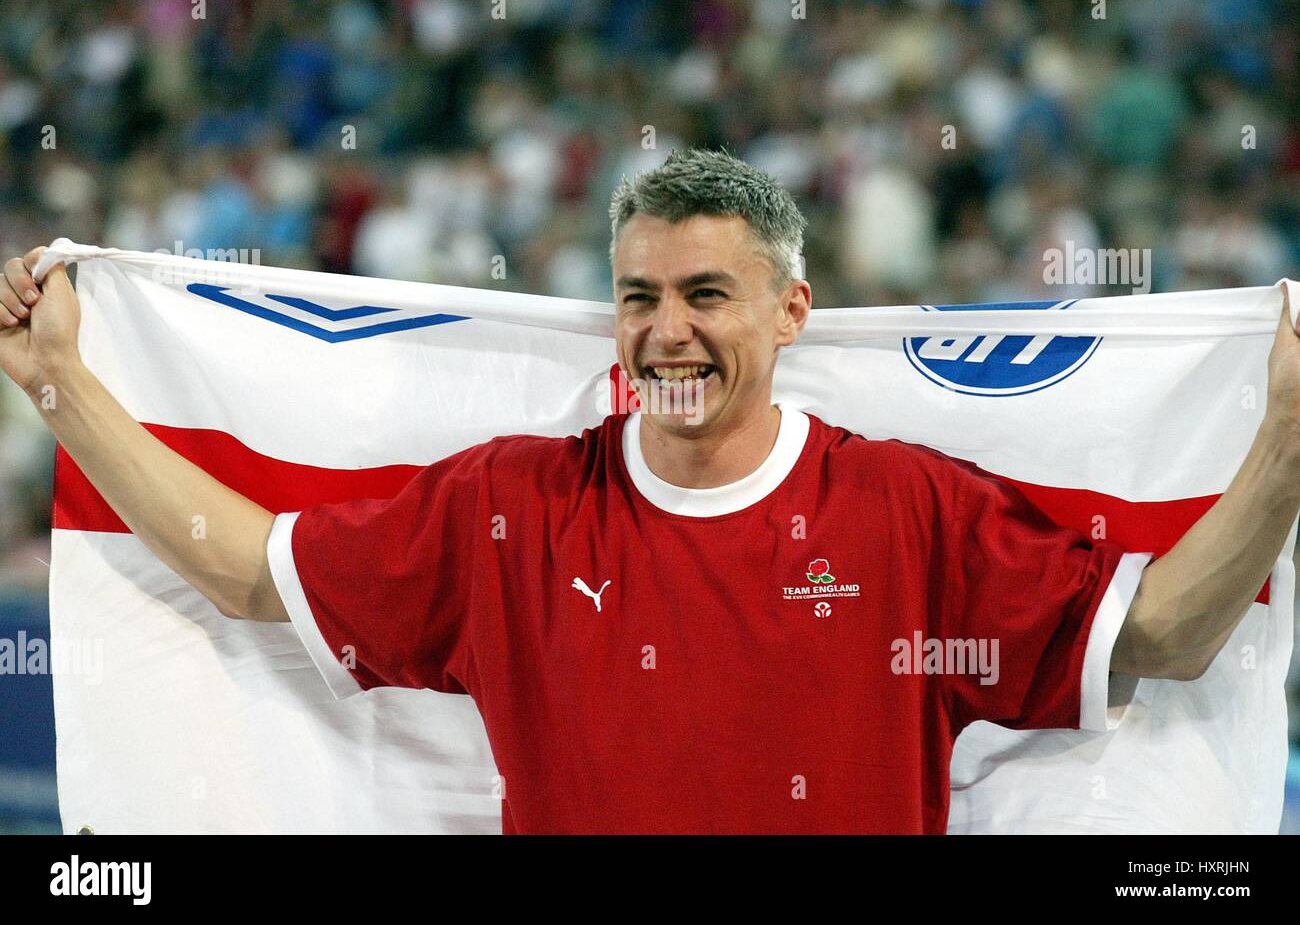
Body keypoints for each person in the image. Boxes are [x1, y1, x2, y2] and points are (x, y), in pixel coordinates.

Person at [2, 148, 1297, 833]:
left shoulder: (911, 514)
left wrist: (1286, 434)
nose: (667, 332)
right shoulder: (506, 511)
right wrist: (58, 382)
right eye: (640, 297)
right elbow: (244, 569)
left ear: (792, 312)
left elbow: (1171, 636)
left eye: (706, 296)